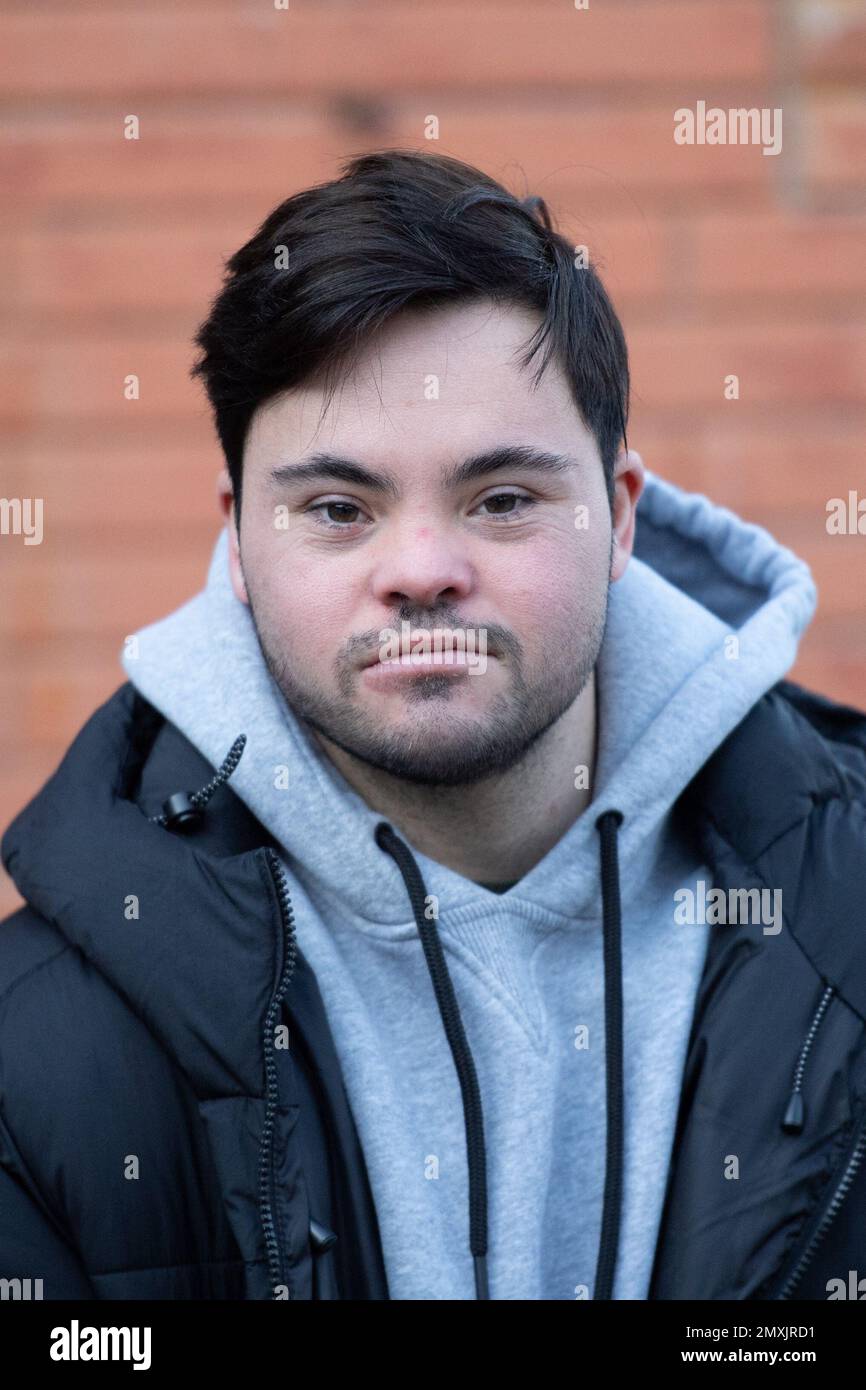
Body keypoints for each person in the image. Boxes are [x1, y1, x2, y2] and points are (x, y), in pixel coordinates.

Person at [2, 149, 865, 1302]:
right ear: (240, 545)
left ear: (616, 518)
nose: (420, 570)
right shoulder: (37, 1043)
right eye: (337, 509)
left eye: (501, 498)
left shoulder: (842, 921)